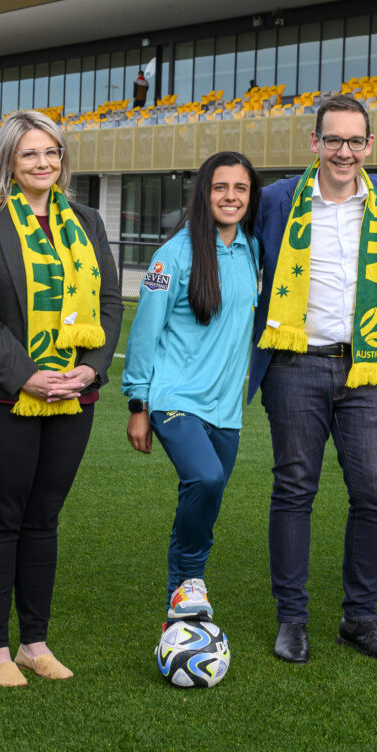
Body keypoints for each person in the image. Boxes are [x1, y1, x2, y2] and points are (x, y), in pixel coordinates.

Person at [0, 111, 121, 686]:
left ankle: (34, 643)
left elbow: (112, 304)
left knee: (44, 518)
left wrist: (90, 370)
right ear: (8, 162)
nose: (44, 163)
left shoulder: (87, 220)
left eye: (52, 153)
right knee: (0, 518)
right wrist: (26, 375)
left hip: (72, 395)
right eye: (30, 154)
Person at [248, 93, 377, 663]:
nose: (343, 151)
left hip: (365, 365)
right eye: (332, 139)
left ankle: (359, 619)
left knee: (376, 491)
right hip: (294, 363)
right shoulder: (277, 198)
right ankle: (293, 619)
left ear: (368, 145)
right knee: (294, 490)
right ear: (314, 143)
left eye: (354, 141)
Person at [124, 152, 262, 625]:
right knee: (204, 477)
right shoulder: (173, 255)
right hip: (174, 398)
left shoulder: (253, 249)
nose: (230, 196)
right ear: (204, 194)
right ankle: (186, 583)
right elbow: (144, 334)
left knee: (206, 494)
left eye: (239, 188)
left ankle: (183, 598)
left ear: (250, 196)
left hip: (226, 408)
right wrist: (138, 404)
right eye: (220, 187)